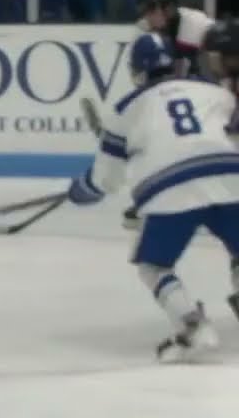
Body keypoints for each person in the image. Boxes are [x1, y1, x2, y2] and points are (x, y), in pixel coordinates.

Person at [66, 32, 239, 362]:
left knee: (153, 266)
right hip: (230, 175)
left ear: (137, 71)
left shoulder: (125, 109)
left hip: (171, 187)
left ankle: (192, 325)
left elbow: (105, 180)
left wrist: (81, 190)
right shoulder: (213, 91)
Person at [134, 0, 213, 77]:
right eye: (144, 11)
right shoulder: (144, 30)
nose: (146, 16)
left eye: (151, 9)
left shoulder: (196, 23)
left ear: (170, 7)